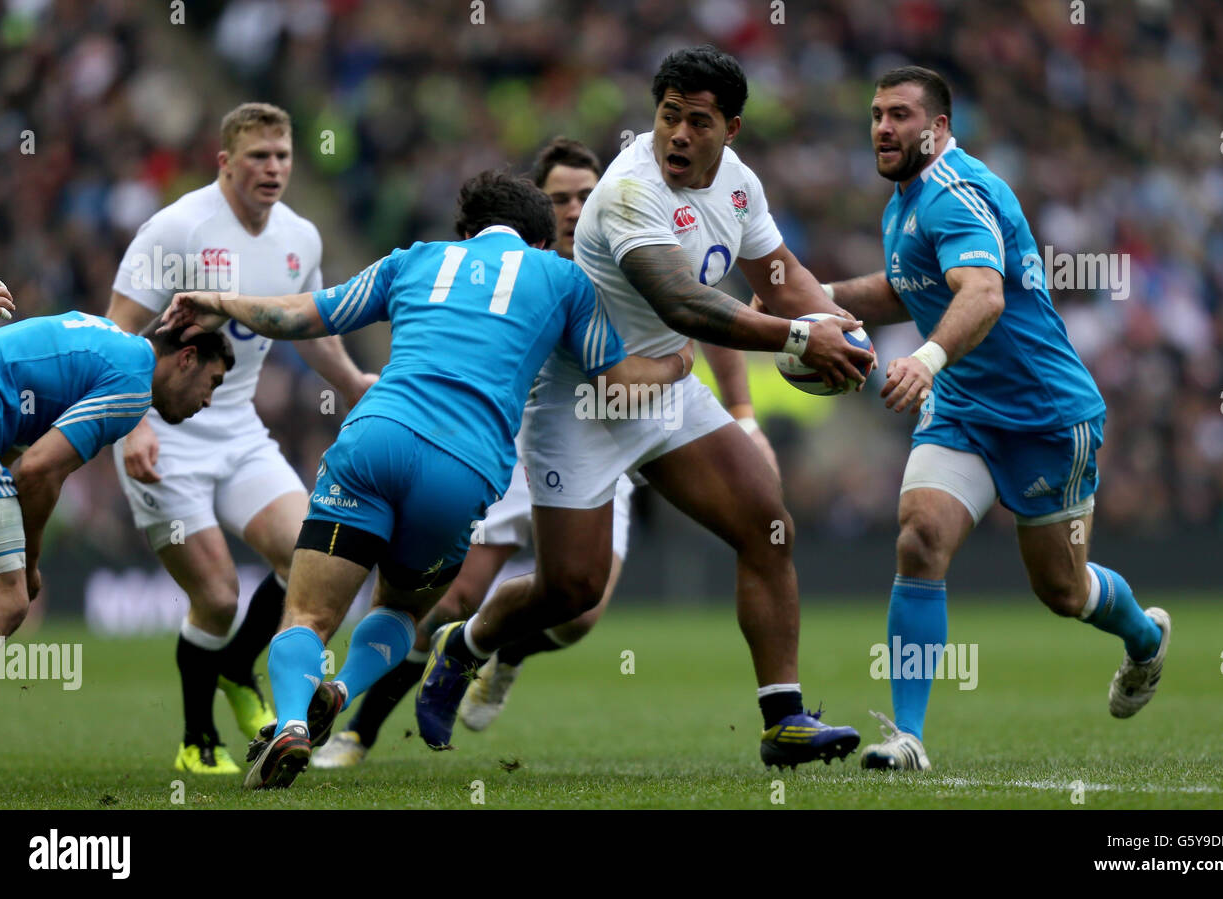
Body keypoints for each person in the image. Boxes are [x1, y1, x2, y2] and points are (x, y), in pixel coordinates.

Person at [415, 46, 875, 770]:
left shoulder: (739, 186)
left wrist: (848, 335)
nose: (679, 136)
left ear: (733, 128)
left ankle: (783, 719)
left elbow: (781, 278)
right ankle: (463, 643)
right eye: (668, 117)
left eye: (698, 121)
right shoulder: (629, 190)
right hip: (583, 396)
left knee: (770, 526)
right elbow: (686, 303)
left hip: (663, 389)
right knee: (573, 590)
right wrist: (799, 336)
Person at [161, 170, 691, 789]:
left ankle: (290, 724)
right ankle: (343, 689)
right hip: (463, 470)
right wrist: (681, 358)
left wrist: (219, 302)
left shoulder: (413, 260)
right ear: (543, 240)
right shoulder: (563, 278)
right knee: (401, 609)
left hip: (376, 439)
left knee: (306, 612)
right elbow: (618, 383)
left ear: (465, 232)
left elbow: (302, 316)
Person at [314, 136, 780, 767]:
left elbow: (704, 316)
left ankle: (504, 653)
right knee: (449, 597)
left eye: (586, 195)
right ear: (537, 211)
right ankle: (358, 732)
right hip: (512, 442)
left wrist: (743, 414)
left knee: (577, 611)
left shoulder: (632, 240)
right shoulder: (523, 264)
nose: (574, 208)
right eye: (559, 197)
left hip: (611, 432)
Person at [822, 66, 1169, 770]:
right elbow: (905, 286)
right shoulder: (903, 202)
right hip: (964, 410)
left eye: (902, 115)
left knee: (1063, 591)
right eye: (877, 114)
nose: (884, 127)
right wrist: (820, 299)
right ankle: (909, 736)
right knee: (920, 537)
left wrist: (924, 359)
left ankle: (1144, 638)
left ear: (940, 128)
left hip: (1044, 415)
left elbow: (983, 295)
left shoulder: (956, 191)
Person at [106, 103, 375, 775]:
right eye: (259, 157)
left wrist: (349, 381)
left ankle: (235, 666)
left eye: (282, 156)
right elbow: (116, 330)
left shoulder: (300, 238)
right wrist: (133, 423)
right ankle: (197, 738)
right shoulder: (177, 227)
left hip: (238, 433)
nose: (274, 169)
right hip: (162, 433)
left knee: (312, 561)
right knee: (219, 596)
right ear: (225, 162)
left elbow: (306, 325)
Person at [0, 312, 229, 643]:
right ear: (187, 358)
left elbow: (14, 443)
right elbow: (38, 469)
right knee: (6, 602)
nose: (208, 400)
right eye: (212, 382)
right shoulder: (133, 383)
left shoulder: (108, 340)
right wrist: (30, 563)